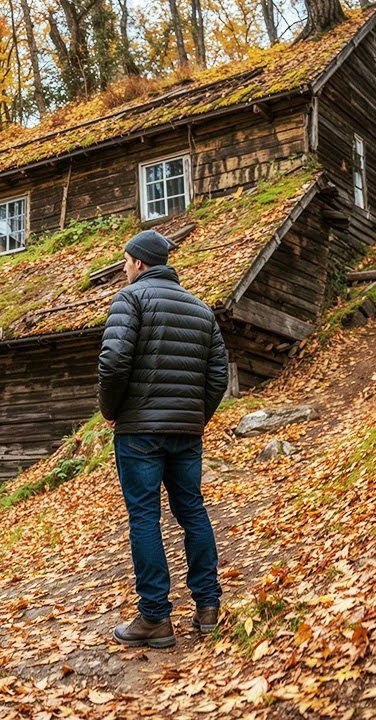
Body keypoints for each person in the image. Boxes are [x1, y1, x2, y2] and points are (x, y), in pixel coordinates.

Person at [98, 229, 229, 649]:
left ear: (139, 262)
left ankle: (155, 618)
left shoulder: (130, 299)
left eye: (125, 260)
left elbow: (114, 360)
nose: (123, 267)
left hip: (139, 432)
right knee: (192, 511)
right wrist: (196, 417)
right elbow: (218, 374)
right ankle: (208, 608)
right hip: (185, 431)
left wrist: (111, 410)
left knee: (144, 517)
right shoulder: (200, 309)